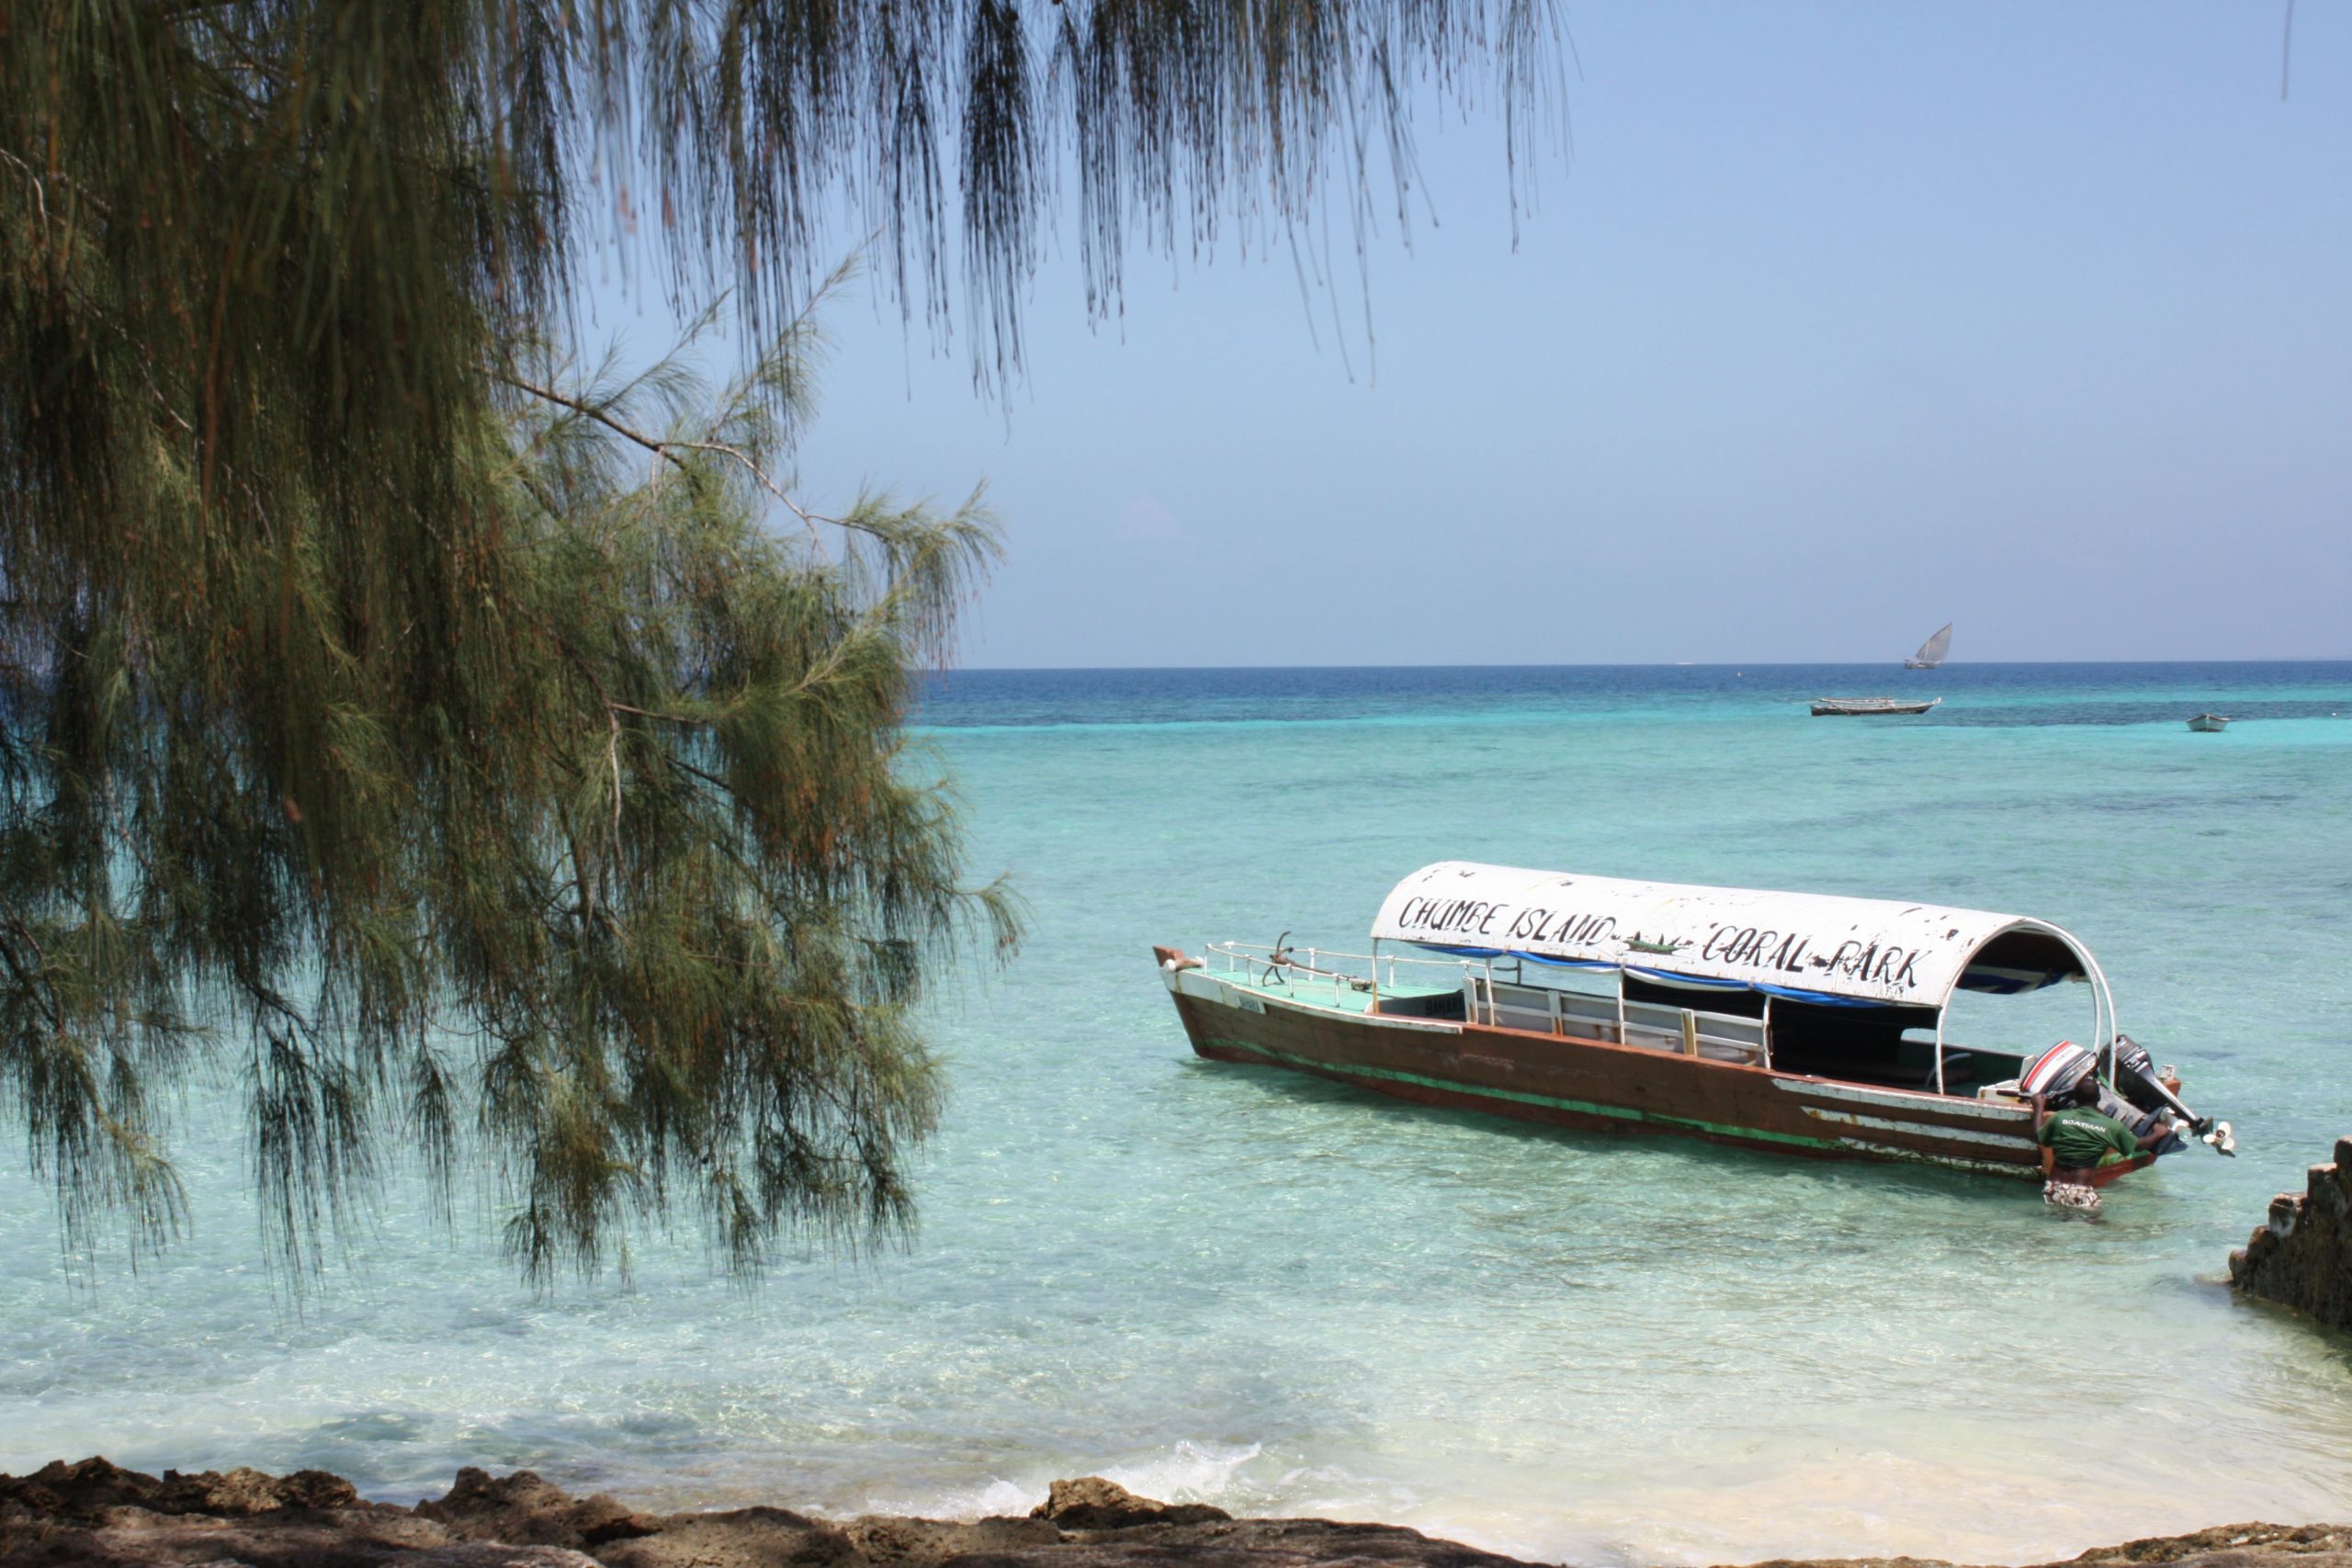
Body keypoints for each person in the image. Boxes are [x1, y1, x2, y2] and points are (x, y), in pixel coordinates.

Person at [2031, 1074, 2173, 1213]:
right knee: (2100, 1230)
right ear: (2099, 1098)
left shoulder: (2059, 1118)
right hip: (2080, 1193)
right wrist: (2158, 1133)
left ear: (2075, 1098)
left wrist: (2039, 1107)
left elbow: (2039, 1136)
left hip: (2052, 1189)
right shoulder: (2111, 1126)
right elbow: (2137, 1146)